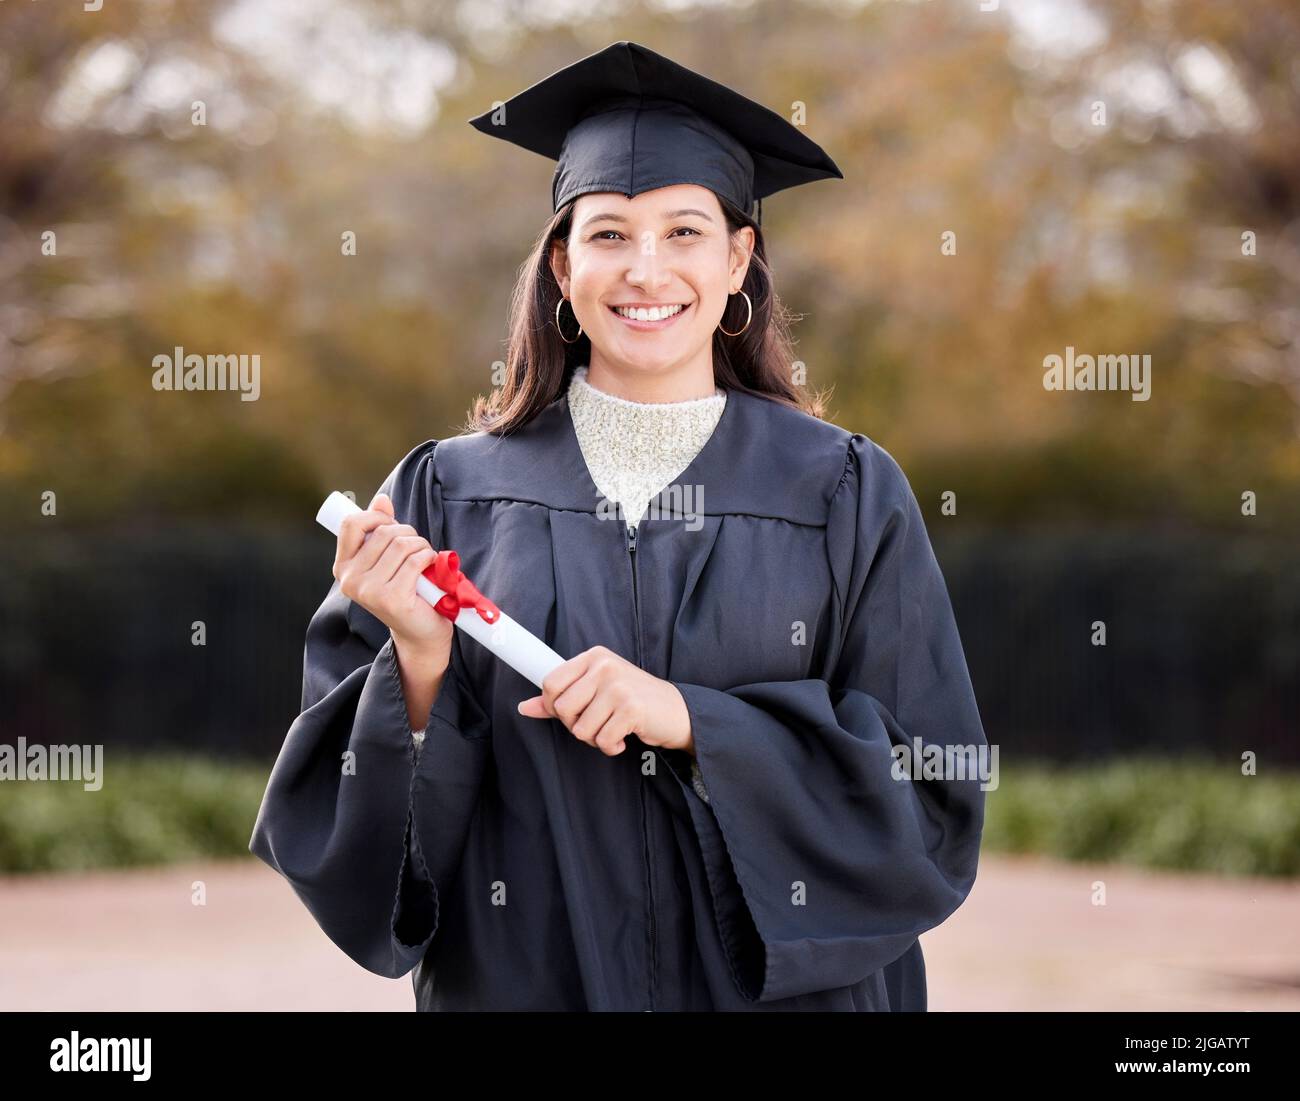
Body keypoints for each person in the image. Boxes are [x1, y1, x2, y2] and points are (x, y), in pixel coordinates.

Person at [249, 40, 987, 1012]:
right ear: (562, 266)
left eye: (684, 232)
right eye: (607, 234)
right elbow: (345, 843)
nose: (646, 269)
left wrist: (692, 723)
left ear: (737, 259)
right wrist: (418, 667)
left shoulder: (842, 491)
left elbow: (929, 792)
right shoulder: (445, 495)